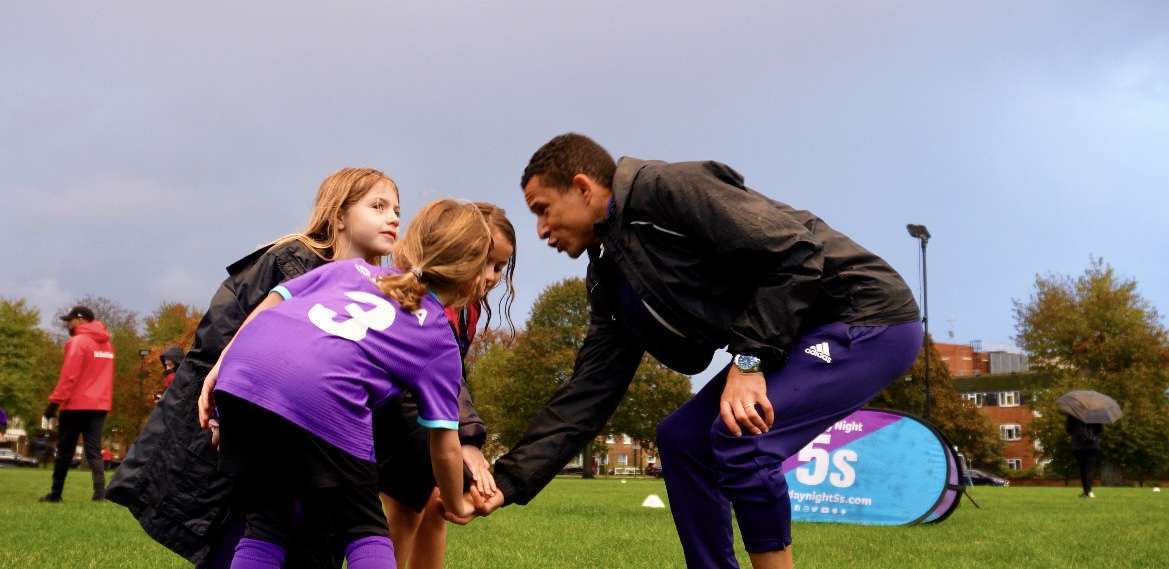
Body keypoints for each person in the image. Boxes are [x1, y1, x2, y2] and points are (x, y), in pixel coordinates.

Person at [473, 133, 923, 569]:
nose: (541, 230)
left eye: (543, 210)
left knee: (743, 434)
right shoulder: (611, 275)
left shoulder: (667, 189)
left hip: (866, 316)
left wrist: (749, 362)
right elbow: (589, 392)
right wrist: (508, 481)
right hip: (790, 336)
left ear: (582, 188)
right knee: (683, 440)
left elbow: (795, 254)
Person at [107, 167, 401, 567]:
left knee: (312, 543)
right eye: (378, 206)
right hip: (258, 431)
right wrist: (224, 412)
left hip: (326, 445)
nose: (393, 217)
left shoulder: (382, 289)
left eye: (397, 209)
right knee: (250, 530)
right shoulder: (290, 260)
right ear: (339, 214)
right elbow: (222, 337)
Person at [197, 199, 490, 568]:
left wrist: (223, 365)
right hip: (318, 393)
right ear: (473, 278)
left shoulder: (350, 270)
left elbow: (276, 297)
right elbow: (444, 444)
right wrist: (456, 498)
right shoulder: (436, 336)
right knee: (363, 522)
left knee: (268, 520)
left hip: (243, 377)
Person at [376, 202, 516, 569]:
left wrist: (468, 438)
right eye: (486, 262)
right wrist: (466, 443)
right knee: (406, 509)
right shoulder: (432, 302)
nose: (491, 276)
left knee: (435, 500)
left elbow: (455, 379)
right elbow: (431, 375)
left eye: (499, 267)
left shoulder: (465, 308)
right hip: (400, 413)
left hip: (421, 414)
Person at [40, 305, 116, 503]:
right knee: (93, 450)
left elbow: (69, 376)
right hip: (100, 405)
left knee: (65, 450)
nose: (68, 324)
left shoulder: (78, 342)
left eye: (70, 320)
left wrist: (53, 404)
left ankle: (56, 493)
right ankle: (100, 494)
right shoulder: (107, 345)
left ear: (81, 320)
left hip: (75, 405)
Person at [1066, 414, 1102, 498]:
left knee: (1082, 468)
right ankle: (1088, 491)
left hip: (1078, 445)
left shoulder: (1073, 413)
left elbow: (1068, 430)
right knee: (1089, 468)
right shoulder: (1096, 413)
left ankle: (1087, 491)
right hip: (1092, 444)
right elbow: (1099, 429)